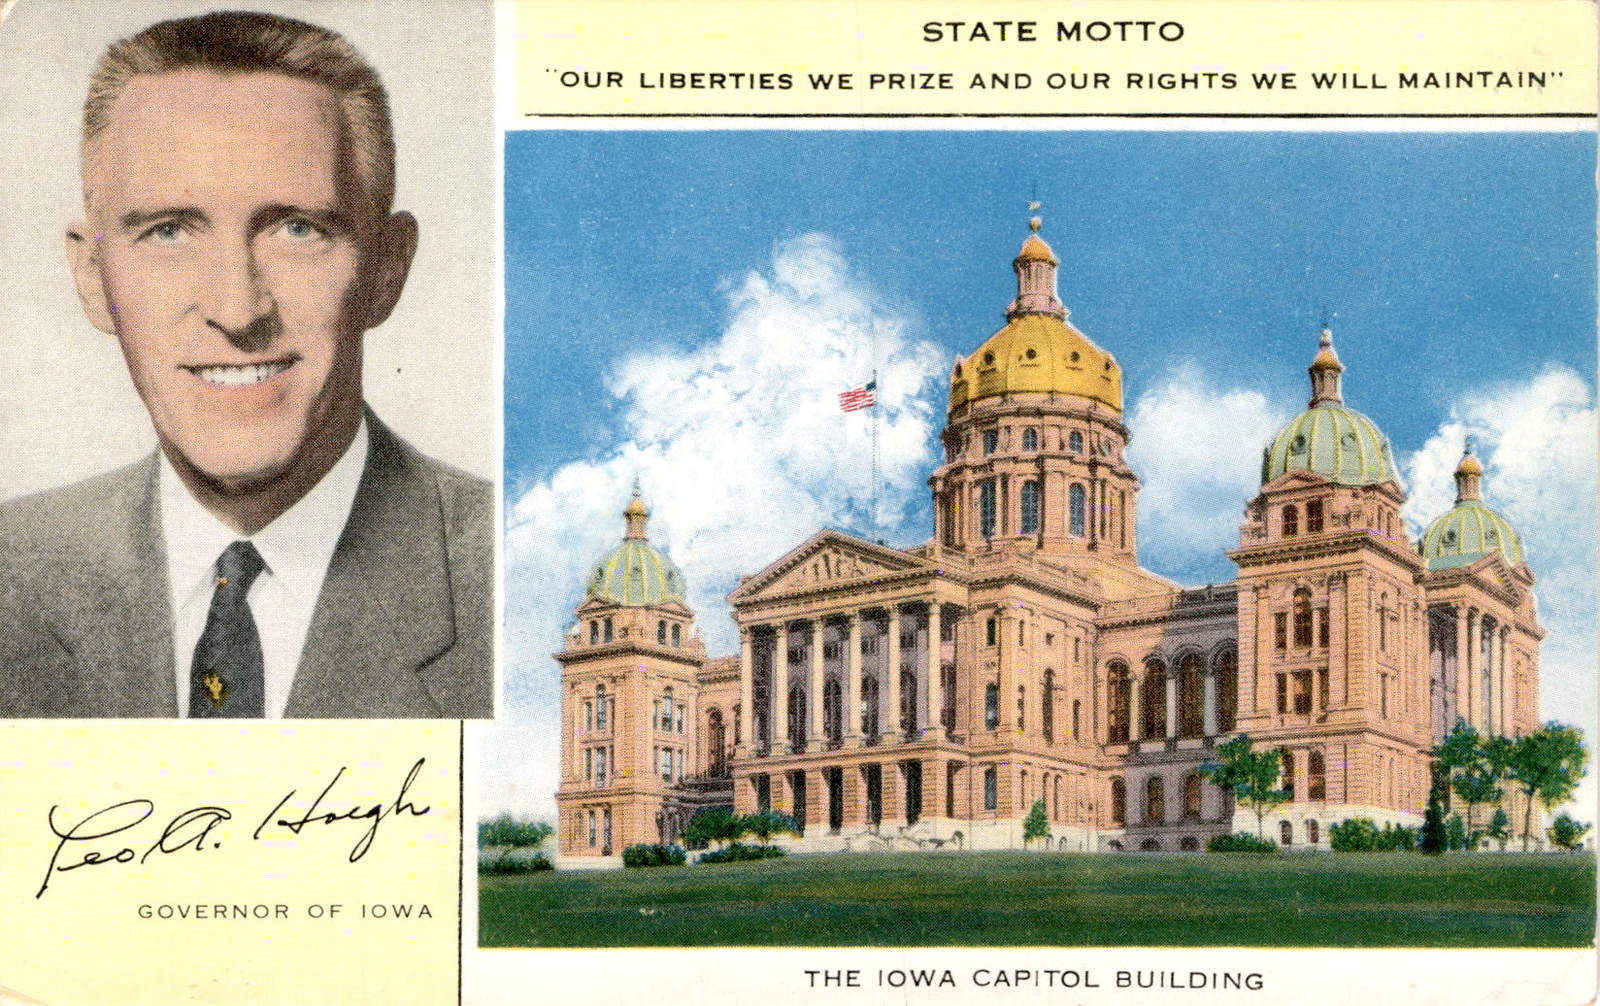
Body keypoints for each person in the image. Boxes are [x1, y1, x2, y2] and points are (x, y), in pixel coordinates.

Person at [0, 11, 491, 719]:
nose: (237, 309)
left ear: (386, 269)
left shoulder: (499, 581)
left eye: (298, 229)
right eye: (168, 232)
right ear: (91, 278)